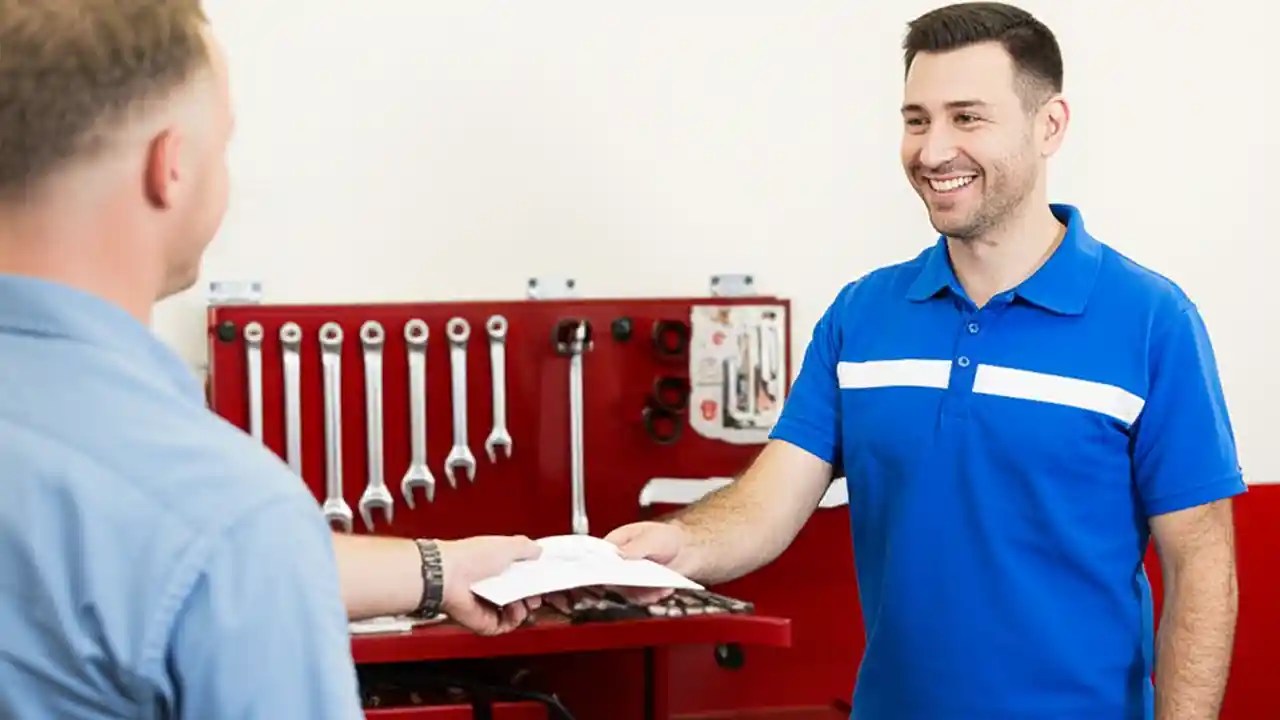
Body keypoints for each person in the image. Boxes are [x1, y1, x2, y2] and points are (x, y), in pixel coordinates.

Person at [606, 3, 1244, 719]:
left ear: (1050, 124)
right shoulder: (862, 316)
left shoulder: (1151, 321)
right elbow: (767, 505)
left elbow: (1201, 566)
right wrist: (678, 543)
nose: (933, 150)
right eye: (917, 119)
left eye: (967, 118)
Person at [0, 2, 538, 718]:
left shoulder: (209, 527)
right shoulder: (225, 513)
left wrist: (436, 568)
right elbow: (192, 553)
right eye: (223, 146)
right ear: (174, 168)